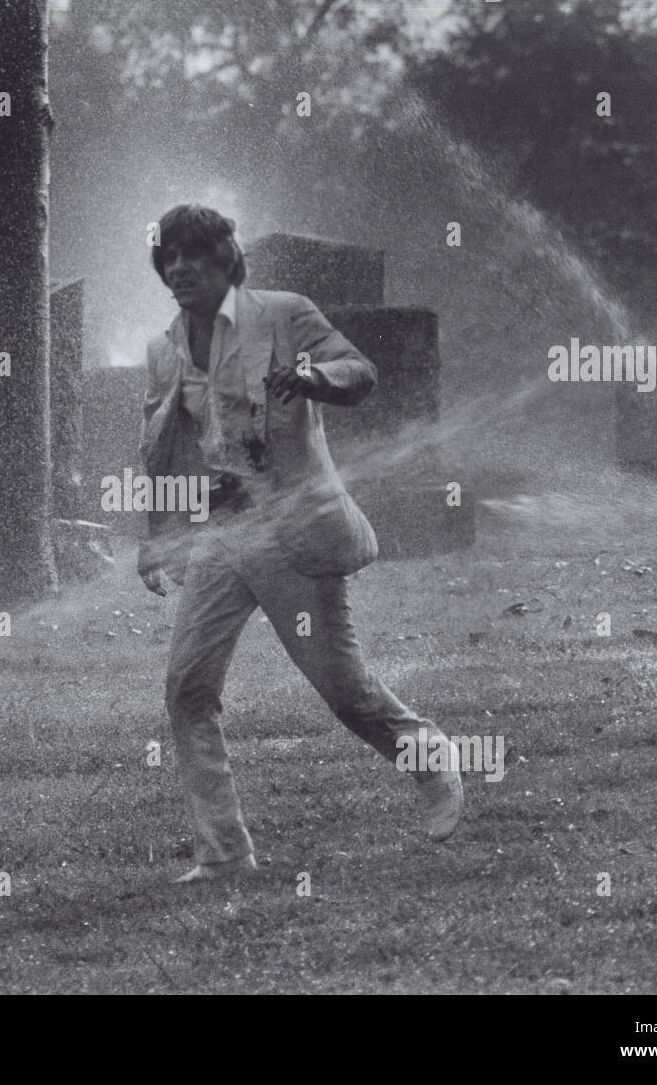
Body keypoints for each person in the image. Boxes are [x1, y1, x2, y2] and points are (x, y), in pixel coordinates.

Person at [138, 205, 463, 884]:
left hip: (293, 532)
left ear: (228, 259)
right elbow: (166, 452)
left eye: (193, 255)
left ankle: (429, 759)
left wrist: (315, 379)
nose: (179, 269)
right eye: (168, 258)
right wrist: (159, 536)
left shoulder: (284, 314)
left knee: (345, 694)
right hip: (220, 540)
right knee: (186, 692)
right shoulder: (164, 349)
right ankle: (224, 854)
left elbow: (359, 370)